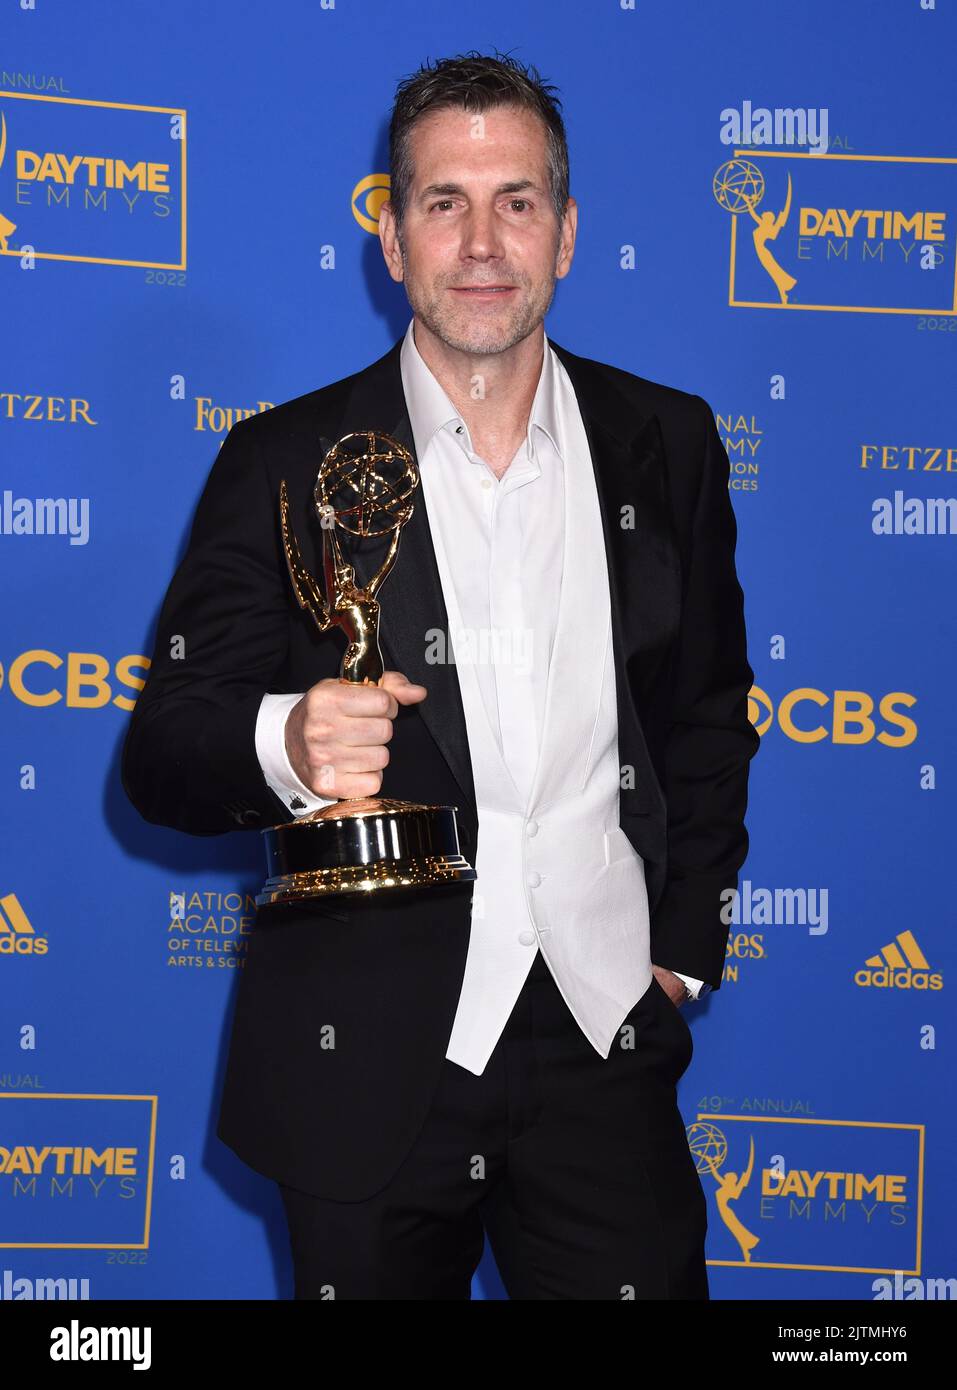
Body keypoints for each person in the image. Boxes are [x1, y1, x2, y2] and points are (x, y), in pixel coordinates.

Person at [121, 50, 761, 1300]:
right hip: (365, 1053)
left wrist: (681, 949)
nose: (482, 243)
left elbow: (708, 713)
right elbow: (164, 749)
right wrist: (285, 744)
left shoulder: (666, 443)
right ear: (392, 236)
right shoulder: (283, 459)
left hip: (604, 1039)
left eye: (516, 201)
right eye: (443, 202)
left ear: (567, 235)